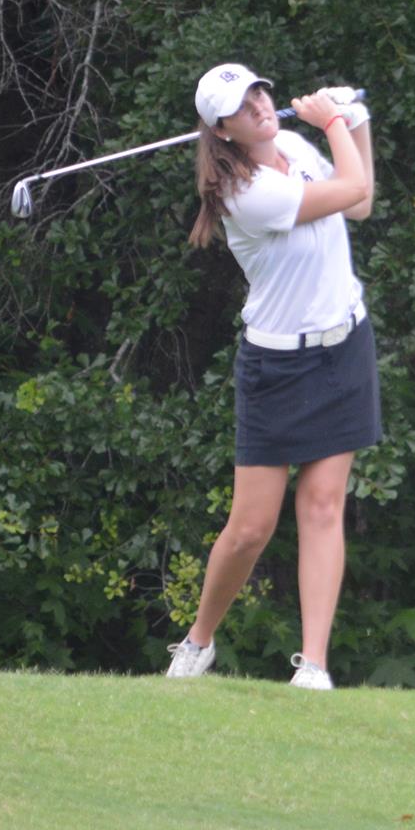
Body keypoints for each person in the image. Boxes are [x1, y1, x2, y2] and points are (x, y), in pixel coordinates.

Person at [164, 62, 378, 691]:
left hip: (343, 345)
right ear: (222, 129)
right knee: (252, 527)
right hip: (278, 365)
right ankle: (198, 641)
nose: (258, 103)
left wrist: (353, 123)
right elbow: (347, 189)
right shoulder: (243, 192)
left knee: (321, 506)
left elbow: (360, 201)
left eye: (258, 89)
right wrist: (338, 120)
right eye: (240, 102)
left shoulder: (291, 145)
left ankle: (313, 666)